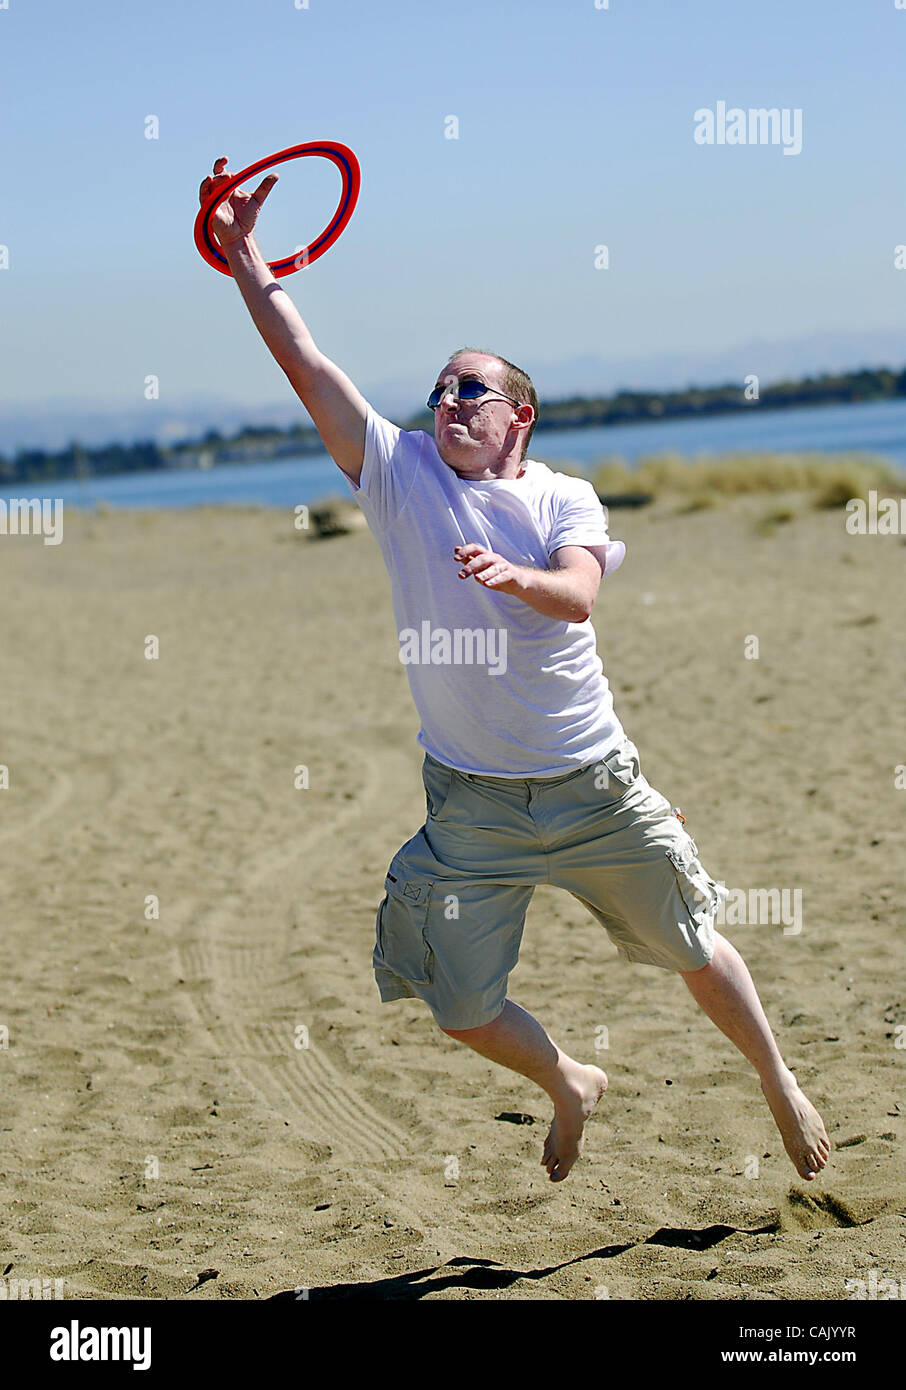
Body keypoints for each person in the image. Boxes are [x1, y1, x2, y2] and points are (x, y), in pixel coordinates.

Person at [198, 157, 831, 1184]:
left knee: (692, 946)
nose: (448, 399)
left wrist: (513, 576)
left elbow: (579, 594)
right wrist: (244, 259)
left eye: (472, 389)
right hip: (473, 807)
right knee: (460, 1008)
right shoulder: (398, 476)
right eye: (440, 386)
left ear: (517, 417)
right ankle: (571, 1082)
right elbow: (305, 362)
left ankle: (776, 1079)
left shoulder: (563, 498)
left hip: (591, 783)